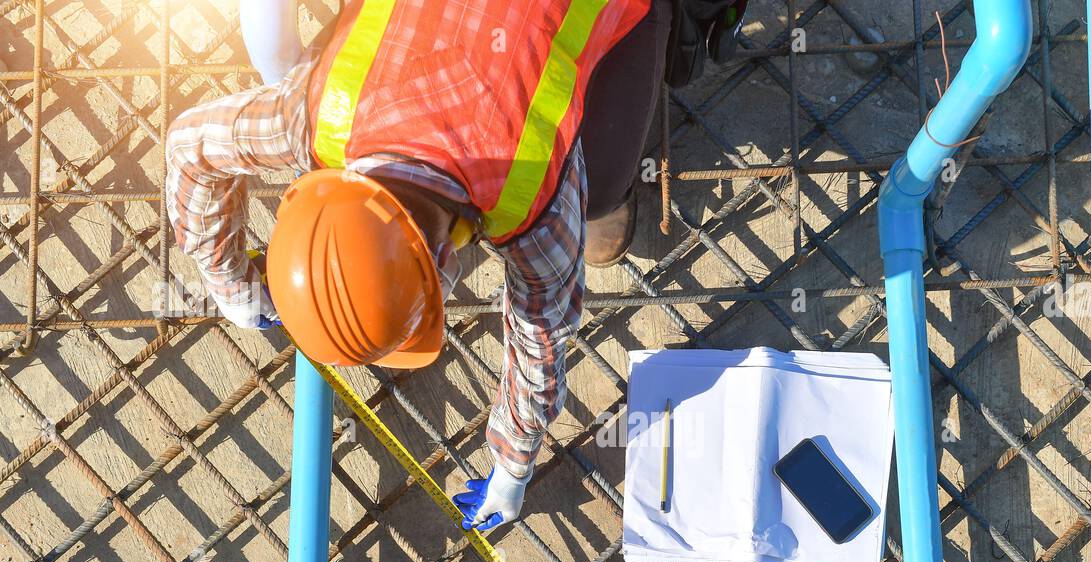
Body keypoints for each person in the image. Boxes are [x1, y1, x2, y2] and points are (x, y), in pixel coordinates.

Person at [167, 0, 741, 529]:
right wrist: (232, 284)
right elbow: (191, 144)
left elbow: (542, 332)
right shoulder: (319, 112)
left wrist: (514, 471)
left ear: (445, 258)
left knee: (598, 198)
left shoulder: (528, 186)